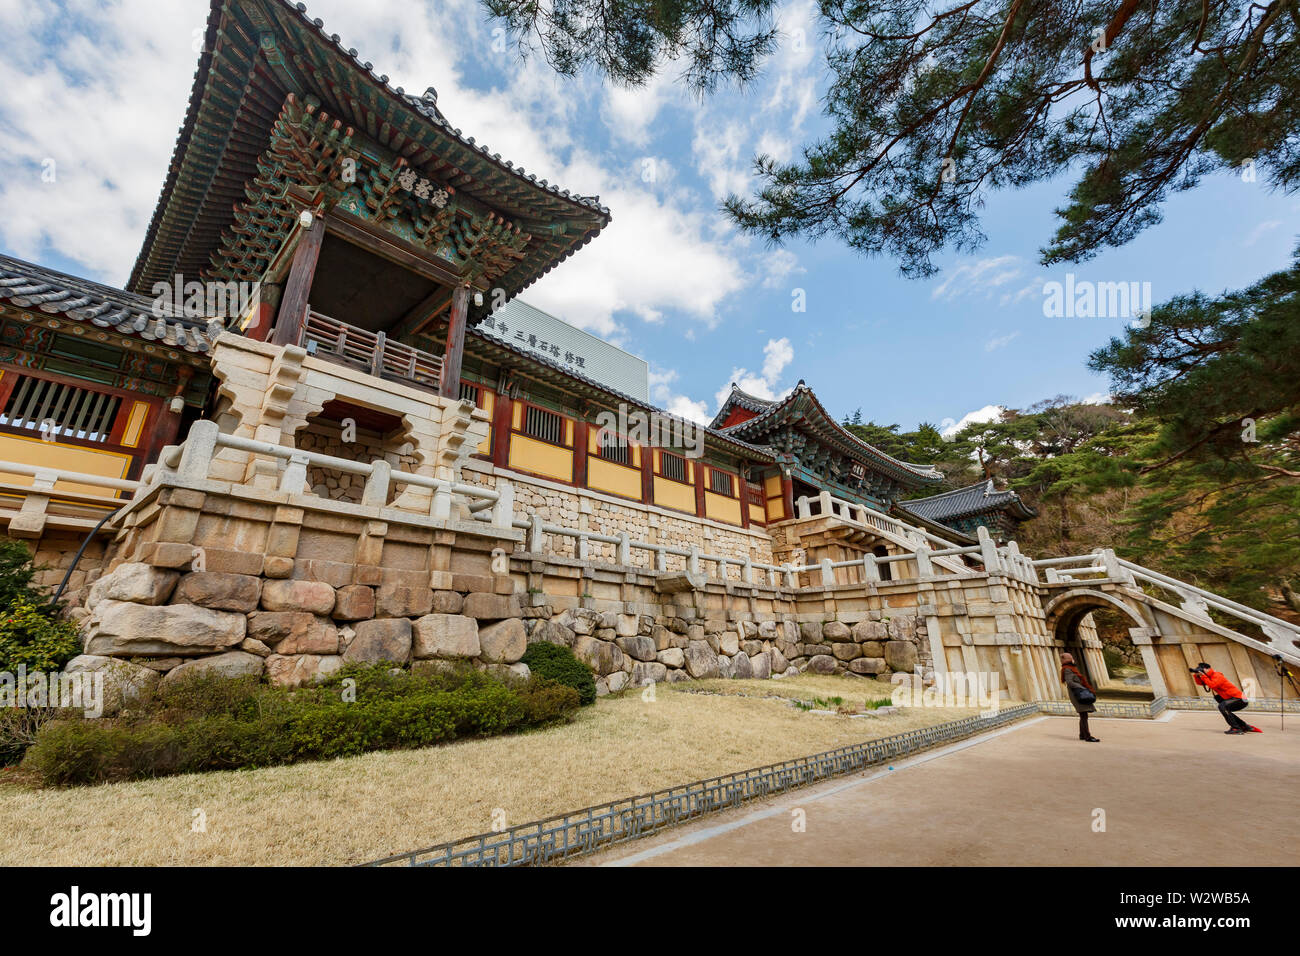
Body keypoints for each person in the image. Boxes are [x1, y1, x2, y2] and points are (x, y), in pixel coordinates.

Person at [1192, 663, 1262, 735]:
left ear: (1208, 669)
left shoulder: (1217, 675)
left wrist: (1203, 676)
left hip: (1239, 699)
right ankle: (1244, 726)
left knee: (1222, 707)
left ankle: (1236, 728)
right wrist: (1196, 676)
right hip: (1232, 698)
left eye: (1202, 669)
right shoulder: (1208, 677)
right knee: (1226, 710)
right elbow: (1200, 683)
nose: (1201, 671)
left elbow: (1213, 685)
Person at [1060, 653, 1099, 742]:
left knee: (1083, 715)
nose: (1073, 659)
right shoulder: (1067, 669)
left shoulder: (1071, 668)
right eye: (1071, 658)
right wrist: (1083, 688)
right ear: (1068, 659)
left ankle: (1082, 735)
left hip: (1079, 693)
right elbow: (1070, 682)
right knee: (1084, 715)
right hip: (1078, 694)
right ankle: (1087, 736)